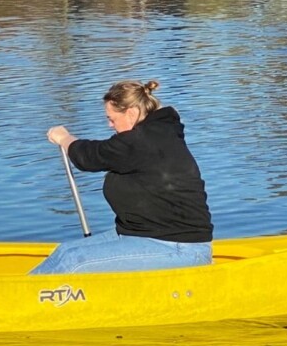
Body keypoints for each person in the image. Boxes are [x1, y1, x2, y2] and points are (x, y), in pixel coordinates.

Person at [30, 80, 212, 275]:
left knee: (75, 262)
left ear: (131, 113)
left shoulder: (142, 141)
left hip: (179, 247)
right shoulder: (154, 134)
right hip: (140, 234)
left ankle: (21, 300)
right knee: (65, 251)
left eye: (112, 119)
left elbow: (89, 157)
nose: (109, 125)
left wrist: (64, 138)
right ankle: (20, 291)